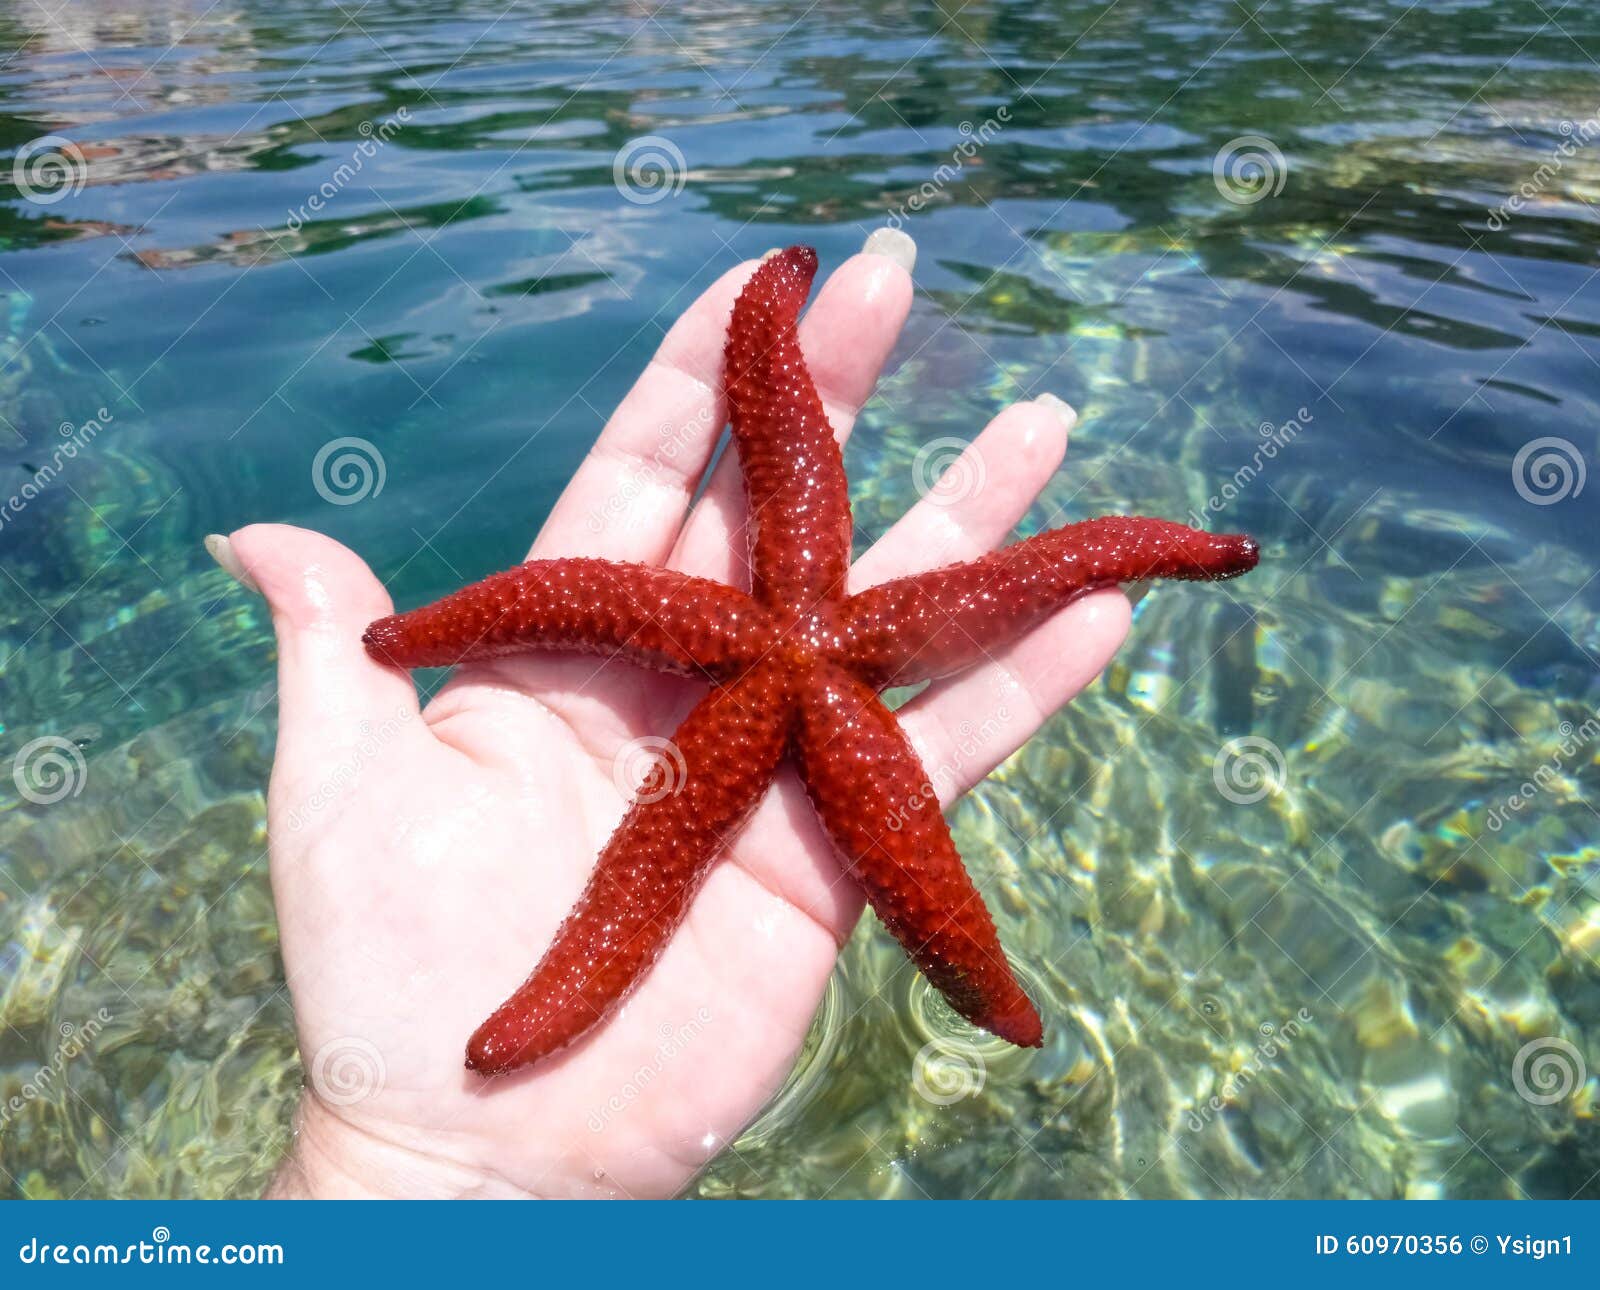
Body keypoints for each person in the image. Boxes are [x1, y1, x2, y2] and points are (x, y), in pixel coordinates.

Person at [206, 229, 1135, 1199]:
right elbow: (574, 595)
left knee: (686, 842)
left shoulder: (777, 663)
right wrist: (406, 1157)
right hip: (801, 693)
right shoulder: (782, 665)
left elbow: (1022, 563)